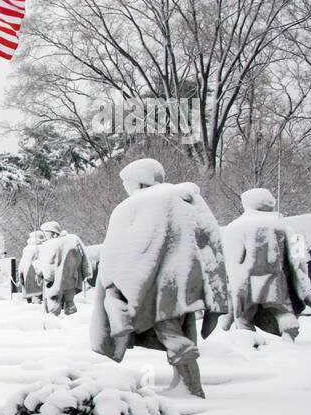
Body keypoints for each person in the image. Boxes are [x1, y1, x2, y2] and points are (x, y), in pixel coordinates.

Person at [90, 158, 229, 398]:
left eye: (128, 182)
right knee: (181, 328)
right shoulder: (187, 201)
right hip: (186, 281)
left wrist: (117, 290)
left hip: (158, 285)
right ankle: (186, 384)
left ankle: (192, 387)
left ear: (140, 182)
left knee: (170, 332)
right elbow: (212, 243)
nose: (127, 188)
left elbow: (131, 250)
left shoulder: (140, 204)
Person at [222, 187, 311, 340]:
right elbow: (298, 260)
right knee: (284, 312)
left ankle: (250, 345)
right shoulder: (284, 227)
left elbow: (231, 264)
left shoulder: (234, 228)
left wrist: (231, 292)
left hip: (248, 285)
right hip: (277, 282)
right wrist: (303, 290)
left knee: (244, 318)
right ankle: (288, 338)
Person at [37, 227, 90, 316]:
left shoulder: (48, 245)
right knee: (70, 303)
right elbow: (84, 258)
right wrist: (85, 273)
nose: (44, 236)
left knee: (54, 306)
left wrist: (38, 269)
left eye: (46, 233)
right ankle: (72, 323)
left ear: (53, 233)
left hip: (55, 282)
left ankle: (54, 325)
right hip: (72, 280)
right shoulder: (73, 240)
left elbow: (45, 267)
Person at [19, 231, 45, 303]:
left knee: (30, 298)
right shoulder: (44, 248)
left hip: (27, 275)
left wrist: (21, 276)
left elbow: (21, 265)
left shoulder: (26, 249)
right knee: (39, 296)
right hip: (39, 274)